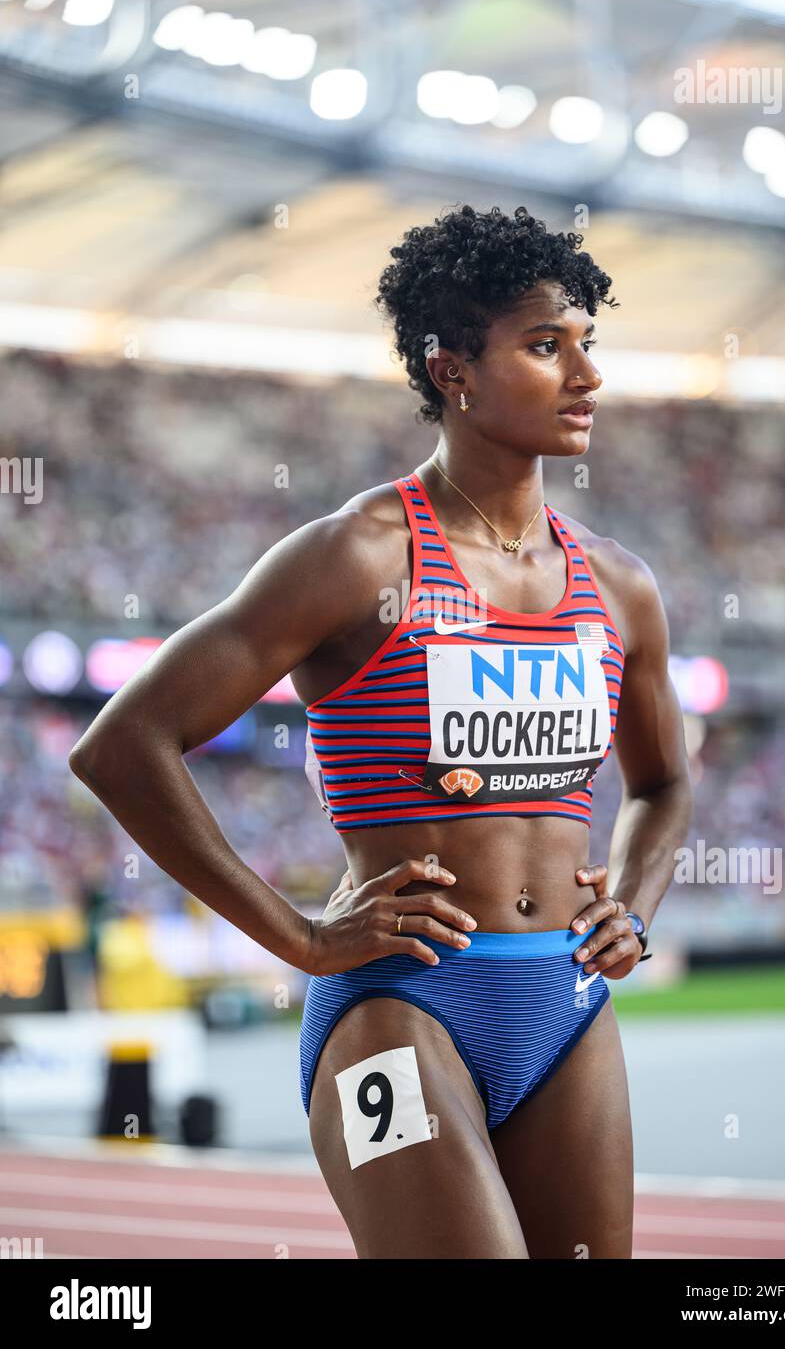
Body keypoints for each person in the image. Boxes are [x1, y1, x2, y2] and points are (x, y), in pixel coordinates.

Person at [69, 204, 693, 1259]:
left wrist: (631, 904)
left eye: (587, 343)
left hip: (565, 1005)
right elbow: (123, 744)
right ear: (451, 370)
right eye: (545, 346)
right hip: (400, 1009)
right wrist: (299, 937)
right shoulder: (358, 556)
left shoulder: (619, 586)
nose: (585, 375)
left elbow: (664, 783)